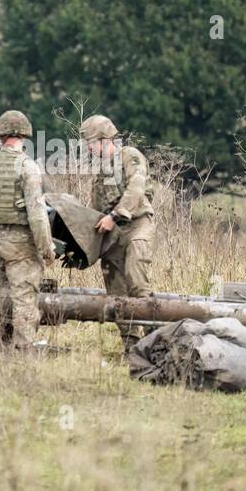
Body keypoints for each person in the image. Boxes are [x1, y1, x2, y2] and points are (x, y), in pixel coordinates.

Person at [0, 110, 55, 350]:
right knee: (24, 298)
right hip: (19, 242)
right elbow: (37, 214)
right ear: (24, 135)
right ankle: (23, 352)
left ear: (1, 135)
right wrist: (46, 248)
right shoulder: (27, 166)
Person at [80, 114, 154, 351]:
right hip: (113, 235)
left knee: (137, 280)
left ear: (103, 139)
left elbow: (136, 188)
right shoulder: (102, 171)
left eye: (91, 143)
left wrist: (114, 215)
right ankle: (132, 347)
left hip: (137, 225)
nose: (89, 148)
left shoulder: (129, 156)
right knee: (117, 290)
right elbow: (96, 210)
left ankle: (156, 340)